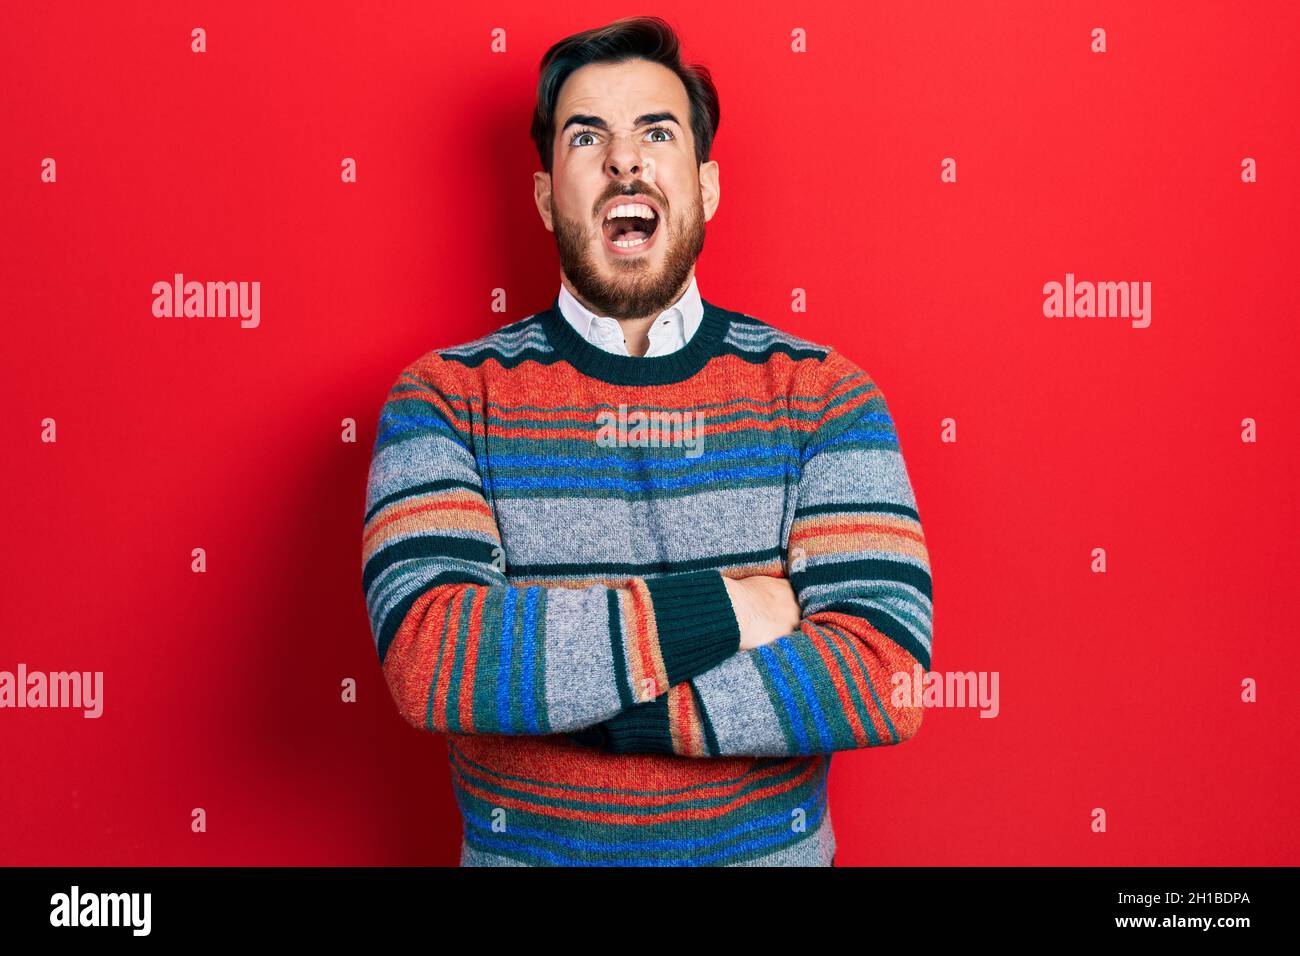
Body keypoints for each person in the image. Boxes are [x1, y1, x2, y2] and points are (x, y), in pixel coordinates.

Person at [360, 15, 933, 867]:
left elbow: (883, 675)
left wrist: (597, 708)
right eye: (586, 135)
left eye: (655, 132)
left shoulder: (822, 394)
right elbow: (433, 657)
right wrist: (739, 609)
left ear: (704, 187)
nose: (624, 159)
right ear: (547, 195)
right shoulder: (444, 398)